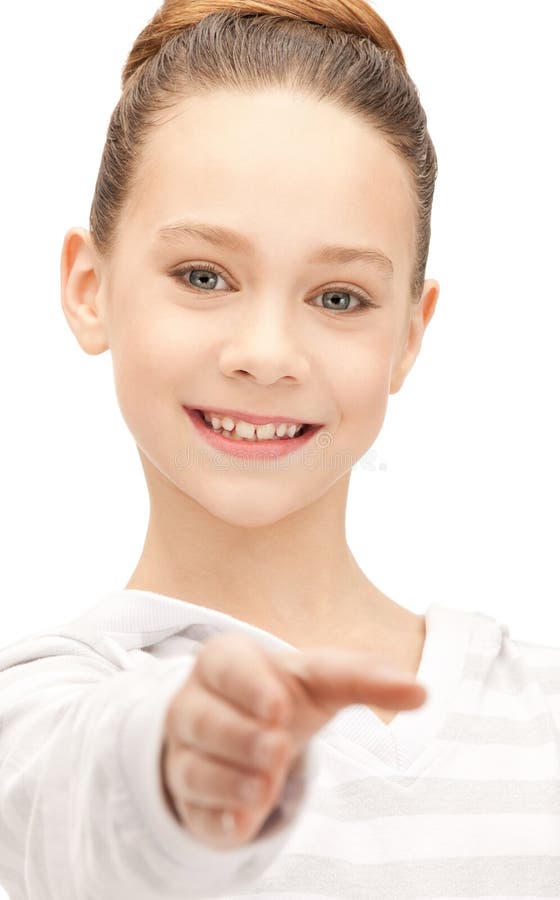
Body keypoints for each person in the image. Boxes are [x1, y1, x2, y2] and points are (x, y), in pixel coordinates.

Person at [1, 1, 559, 898]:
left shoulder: (539, 711)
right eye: (204, 276)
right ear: (88, 286)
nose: (266, 354)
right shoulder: (37, 718)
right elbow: (99, 807)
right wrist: (182, 770)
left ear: (410, 336)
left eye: (338, 298)